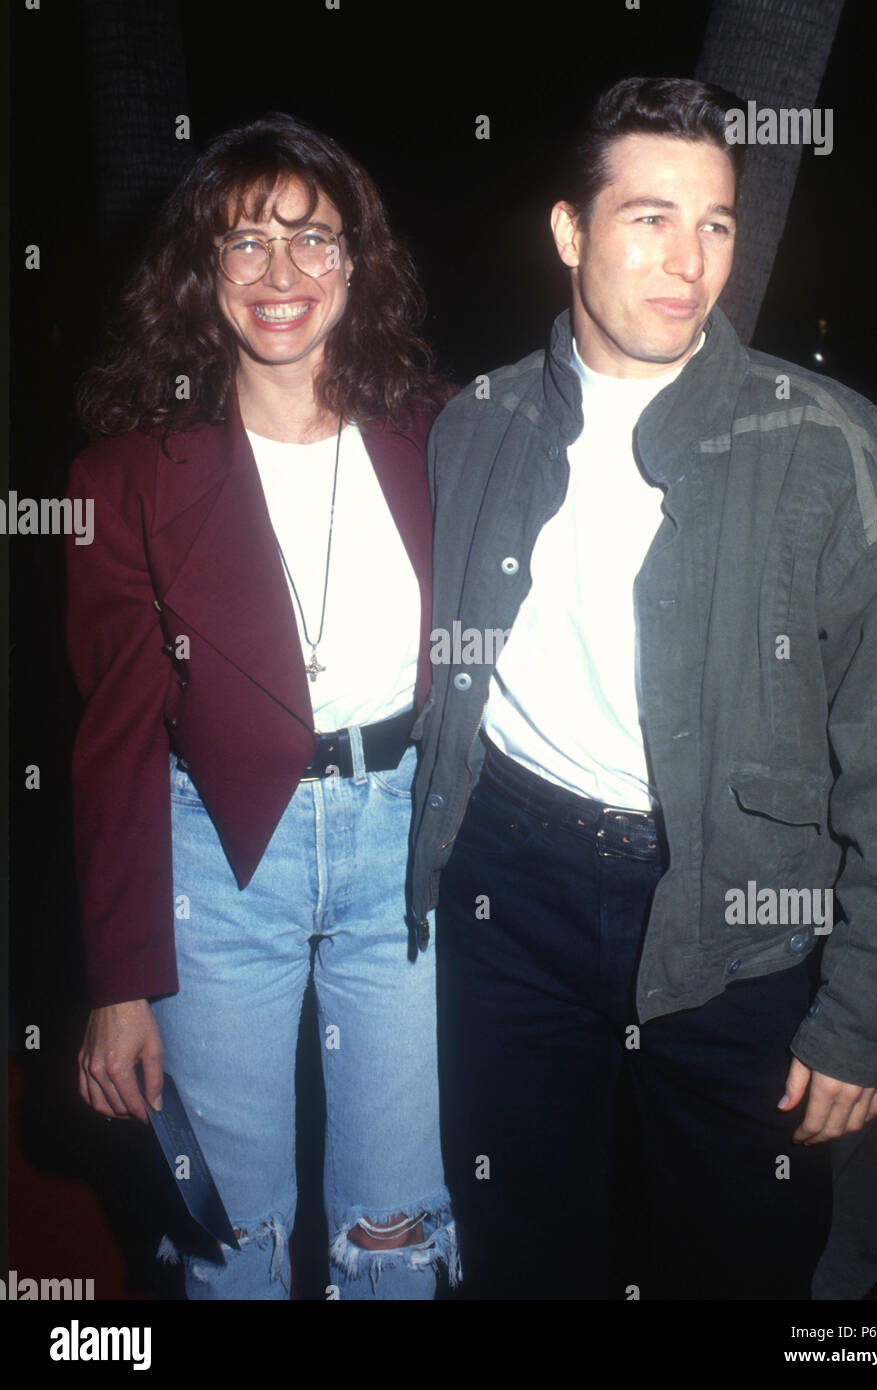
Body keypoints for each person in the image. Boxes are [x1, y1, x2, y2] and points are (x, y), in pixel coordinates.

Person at [407, 77, 877, 1299]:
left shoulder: (831, 447)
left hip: (737, 924)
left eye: (714, 222)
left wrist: (868, 1011)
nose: (690, 259)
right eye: (650, 217)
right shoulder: (478, 425)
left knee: (741, 1253)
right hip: (512, 891)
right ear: (569, 232)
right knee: (527, 1241)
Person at [68, 113, 457, 1300]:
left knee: (395, 1222)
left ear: (359, 261)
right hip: (219, 859)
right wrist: (117, 980)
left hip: (407, 853)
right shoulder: (125, 476)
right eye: (245, 243)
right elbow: (117, 740)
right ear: (204, 271)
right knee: (228, 1231)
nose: (281, 274)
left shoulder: (443, 431)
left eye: (312, 240)